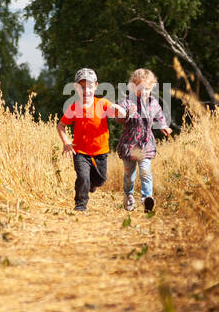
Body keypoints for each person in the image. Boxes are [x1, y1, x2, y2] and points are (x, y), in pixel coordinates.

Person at [57, 68, 125, 212]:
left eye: (89, 87)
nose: (86, 91)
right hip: (80, 151)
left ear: (96, 86)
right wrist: (66, 142)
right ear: (76, 88)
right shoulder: (74, 107)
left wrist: (120, 109)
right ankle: (80, 204)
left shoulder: (102, 103)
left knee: (100, 179)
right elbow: (61, 125)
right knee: (83, 177)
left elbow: (116, 111)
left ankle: (93, 185)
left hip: (100, 150)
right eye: (82, 87)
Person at [116, 68, 172, 212]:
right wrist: (128, 113)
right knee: (129, 174)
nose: (144, 92)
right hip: (129, 144)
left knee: (145, 172)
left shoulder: (154, 103)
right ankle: (128, 195)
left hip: (146, 144)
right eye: (140, 89)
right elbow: (119, 119)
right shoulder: (127, 102)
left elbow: (159, 116)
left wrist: (163, 126)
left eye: (147, 89)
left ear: (152, 87)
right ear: (134, 88)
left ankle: (147, 199)